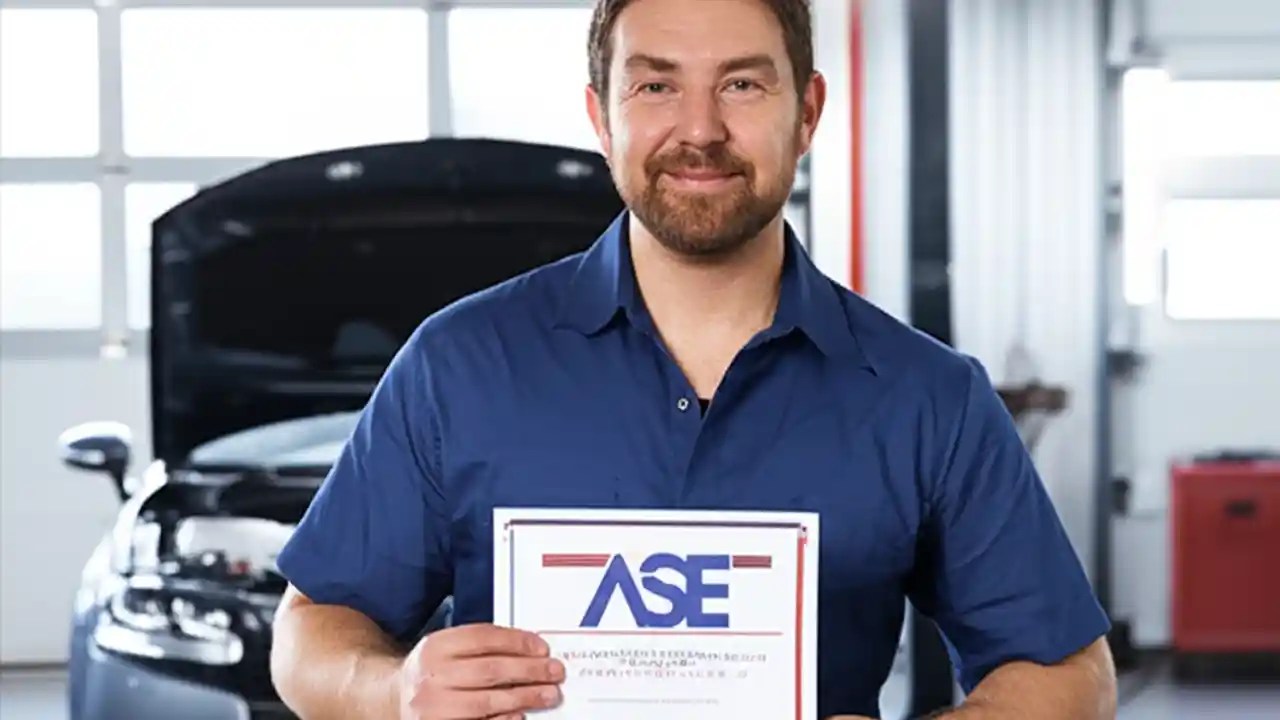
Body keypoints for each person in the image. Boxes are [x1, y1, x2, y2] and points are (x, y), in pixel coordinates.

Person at [269, 0, 1118, 718]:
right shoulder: (457, 367)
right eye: (655, 84)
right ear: (603, 115)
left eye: (743, 84)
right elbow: (311, 627)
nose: (701, 130)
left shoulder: (929, 397)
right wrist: (392, 690)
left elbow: (1071, 673)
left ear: (808, 112)